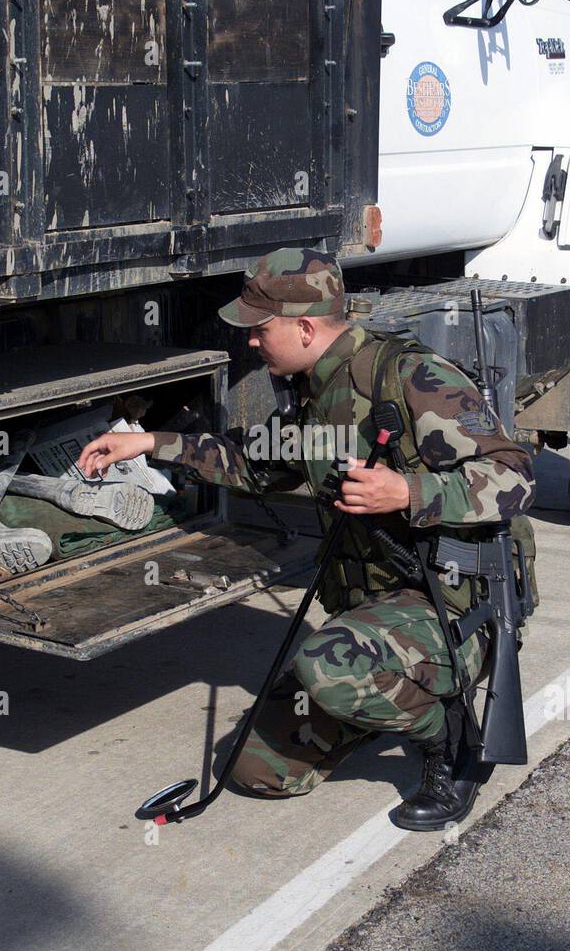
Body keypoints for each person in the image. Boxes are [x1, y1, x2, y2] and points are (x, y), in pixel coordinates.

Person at [78, 247, 536, 830]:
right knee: (257, 771)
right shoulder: (313, 391)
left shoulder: (410, 377)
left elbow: (515, 476)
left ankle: (448, 739)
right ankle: (386, 696)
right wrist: (149, 444)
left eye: (259, 328)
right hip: (375, 611)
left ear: (302, 326)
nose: (250, 341)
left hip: (449, 607)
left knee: (326, 664)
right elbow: (255, 462)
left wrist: (408, 493)